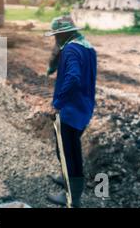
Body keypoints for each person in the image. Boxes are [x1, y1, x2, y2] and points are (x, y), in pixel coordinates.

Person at [45, 15, 97, 208]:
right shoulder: (87, 47)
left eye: (56, 35)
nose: (54, 39)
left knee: (67, 153)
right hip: (84, 107)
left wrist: (58, 102)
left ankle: (71, 198)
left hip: (70, 110)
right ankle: (65, 178)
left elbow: (74, 77)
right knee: (70, 148)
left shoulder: (70, 50)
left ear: (63, 34)